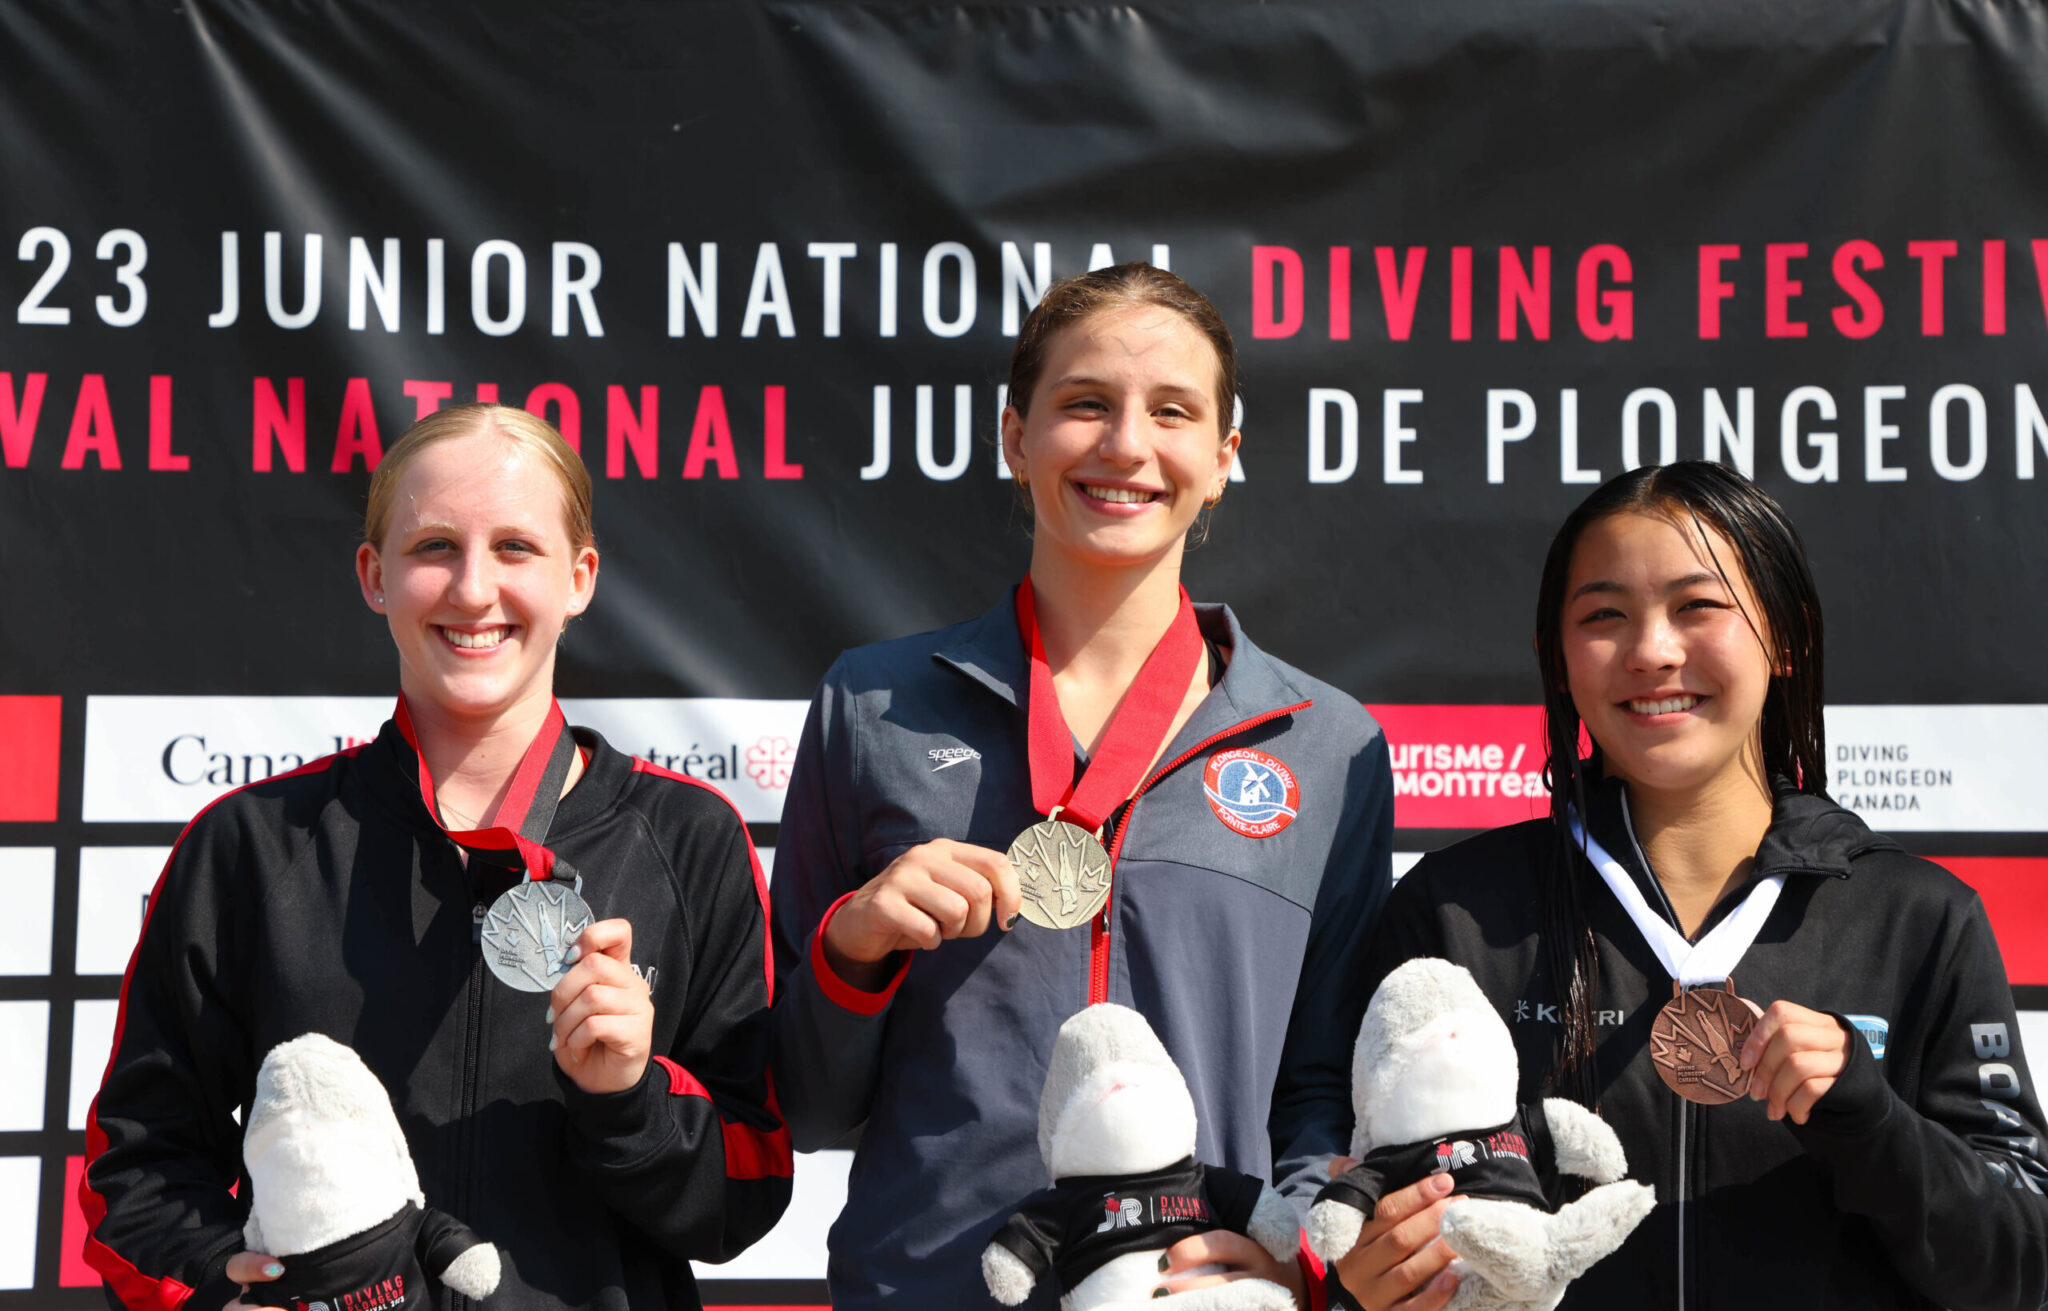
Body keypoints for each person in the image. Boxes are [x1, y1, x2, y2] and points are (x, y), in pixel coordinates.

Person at [770, 263, 1396, 1309]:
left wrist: (1298, 1253)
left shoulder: (1327, 745)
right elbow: (802, 1103)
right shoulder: (871, 706)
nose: (1125, 446)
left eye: (1171, 412)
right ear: (1014, 436)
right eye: (1084, 404)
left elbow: (1325, 1083)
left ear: (1222, 456)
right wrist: (852, 946)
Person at [80, 403, 790, 1311]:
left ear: (580, 578)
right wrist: (220, 1286)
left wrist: (629, 1098)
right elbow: (135, 1164)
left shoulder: (690, 839)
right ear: (375, 577)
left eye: (516, 549)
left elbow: (749, 1190)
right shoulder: (251, 845)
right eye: (435, 547)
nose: (472, 589)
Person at [1333, 461, 2048, 1310]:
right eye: (1604, 615)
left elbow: (2021, 1264)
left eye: (1698, 606)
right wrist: (1371, 1280)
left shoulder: (1918, 918)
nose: (1652, 651)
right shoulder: (1454, 916)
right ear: (1556, 659)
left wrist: (1870, 1116)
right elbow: (1368, 1210)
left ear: (1788, 636)